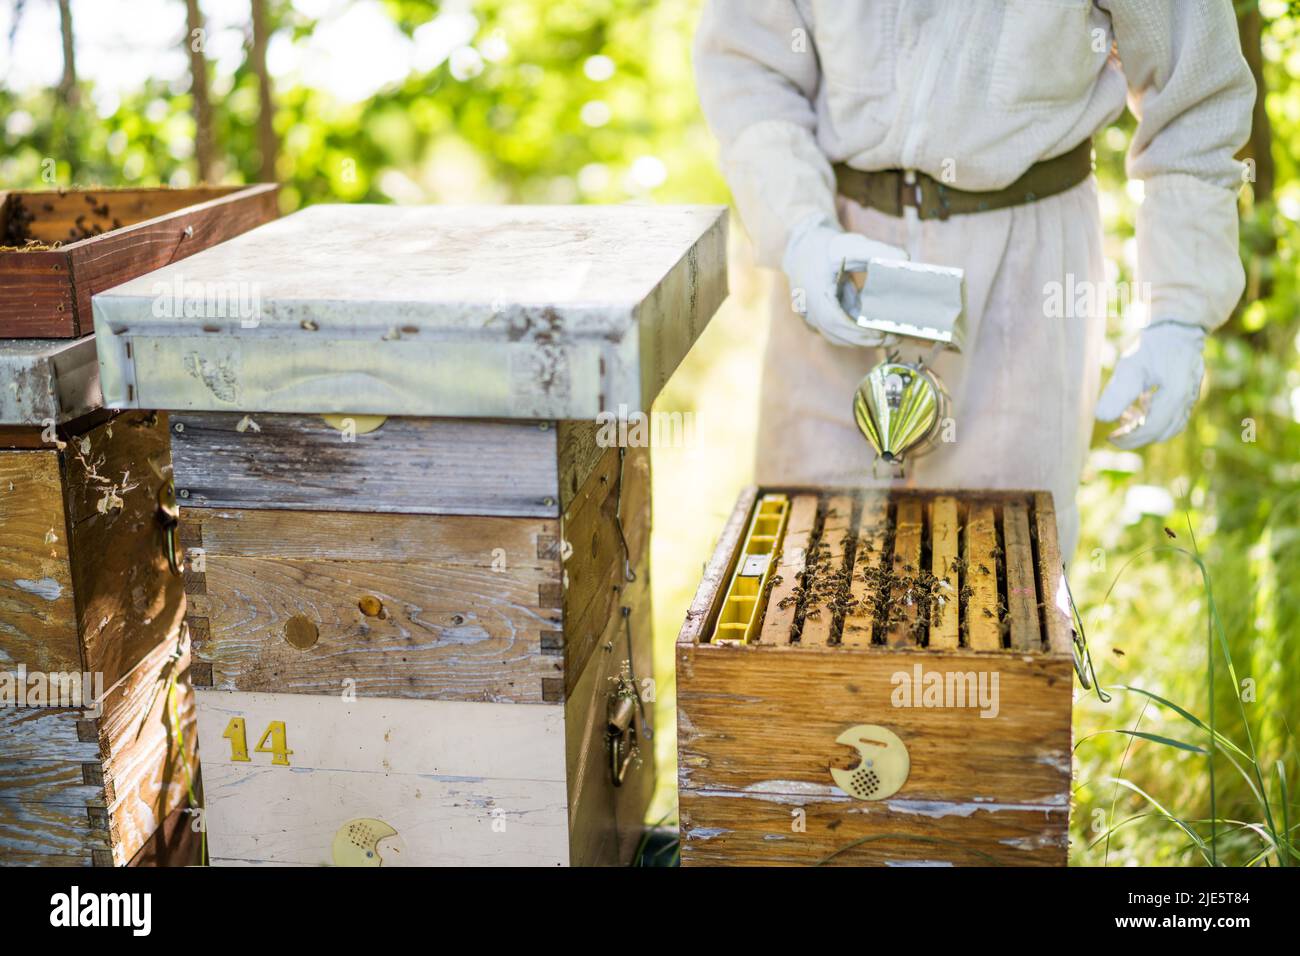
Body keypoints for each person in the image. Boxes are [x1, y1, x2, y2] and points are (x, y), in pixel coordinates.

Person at [694, 0, 1255, 558]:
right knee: (808, 560)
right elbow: (748, 61)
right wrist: (801, 231)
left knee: (999, 567)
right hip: (841, 252)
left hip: (1024, 271)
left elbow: (1194, 94)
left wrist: (1178, 309)